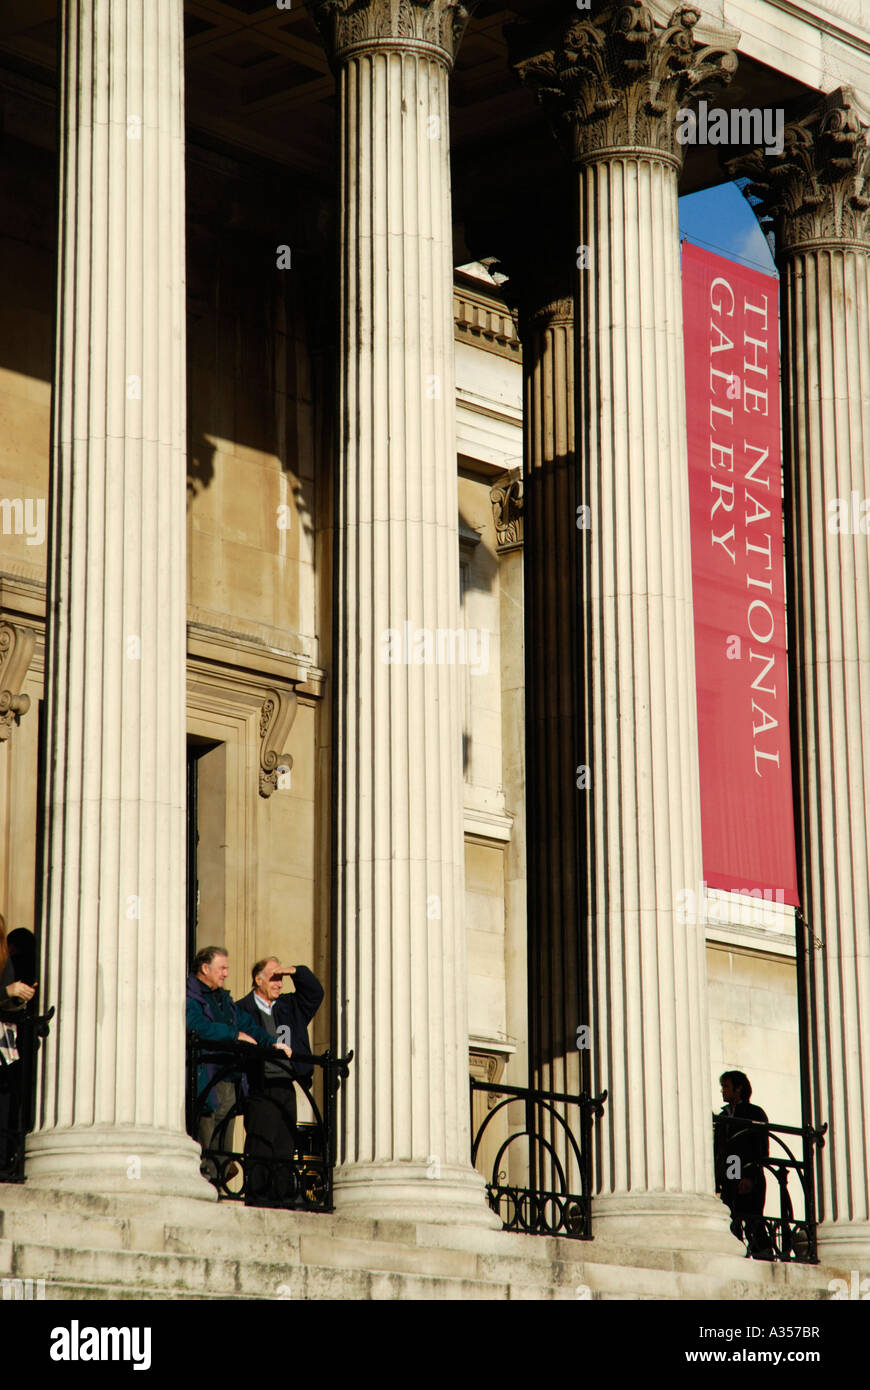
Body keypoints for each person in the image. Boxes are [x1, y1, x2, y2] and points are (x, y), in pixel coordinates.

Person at [186, 946, 290, 1183]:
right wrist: (233, 1035)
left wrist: (271, 1043)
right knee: (206, 1136)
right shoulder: (191, 996)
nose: (225, 973)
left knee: (224, 1139)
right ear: (205, 968)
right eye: (222, 968)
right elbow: (196, 1026)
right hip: (207, 1078)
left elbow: (248, 1025)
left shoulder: (224, 999)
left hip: (230, 1079)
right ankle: (203, 1185)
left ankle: (219, 1185)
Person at [235, 958, 324, 1207]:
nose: (279, 984)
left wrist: (297, 971)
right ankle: (258, 1199)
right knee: (261, 1143)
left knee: (285, 1146)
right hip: (259, 1085)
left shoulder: (290, 1007)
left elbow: (315, 993)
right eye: (274, 977)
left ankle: (282, 1201)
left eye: (281, 978)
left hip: (287, 1083)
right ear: (258, 979)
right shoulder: (241, 1009)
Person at [714, 1070, 774, 1258]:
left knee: (753, 1220)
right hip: (732, 1170)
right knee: (732, 1217)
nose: (722, 1091)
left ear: (738, 1088)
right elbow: (722, 1150)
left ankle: (764, 1256)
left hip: (748, 1172)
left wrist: (750, 1176)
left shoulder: (753, 1112)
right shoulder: (724, 1116)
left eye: (726, 1087)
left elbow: (760, 1147)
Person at [0, 914, 37, 1175]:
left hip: (4, 1043)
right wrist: (7, 992)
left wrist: (20, 997)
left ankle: (4, 1162)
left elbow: (7, 1004)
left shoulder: (6, 963)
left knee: (5, 1103)